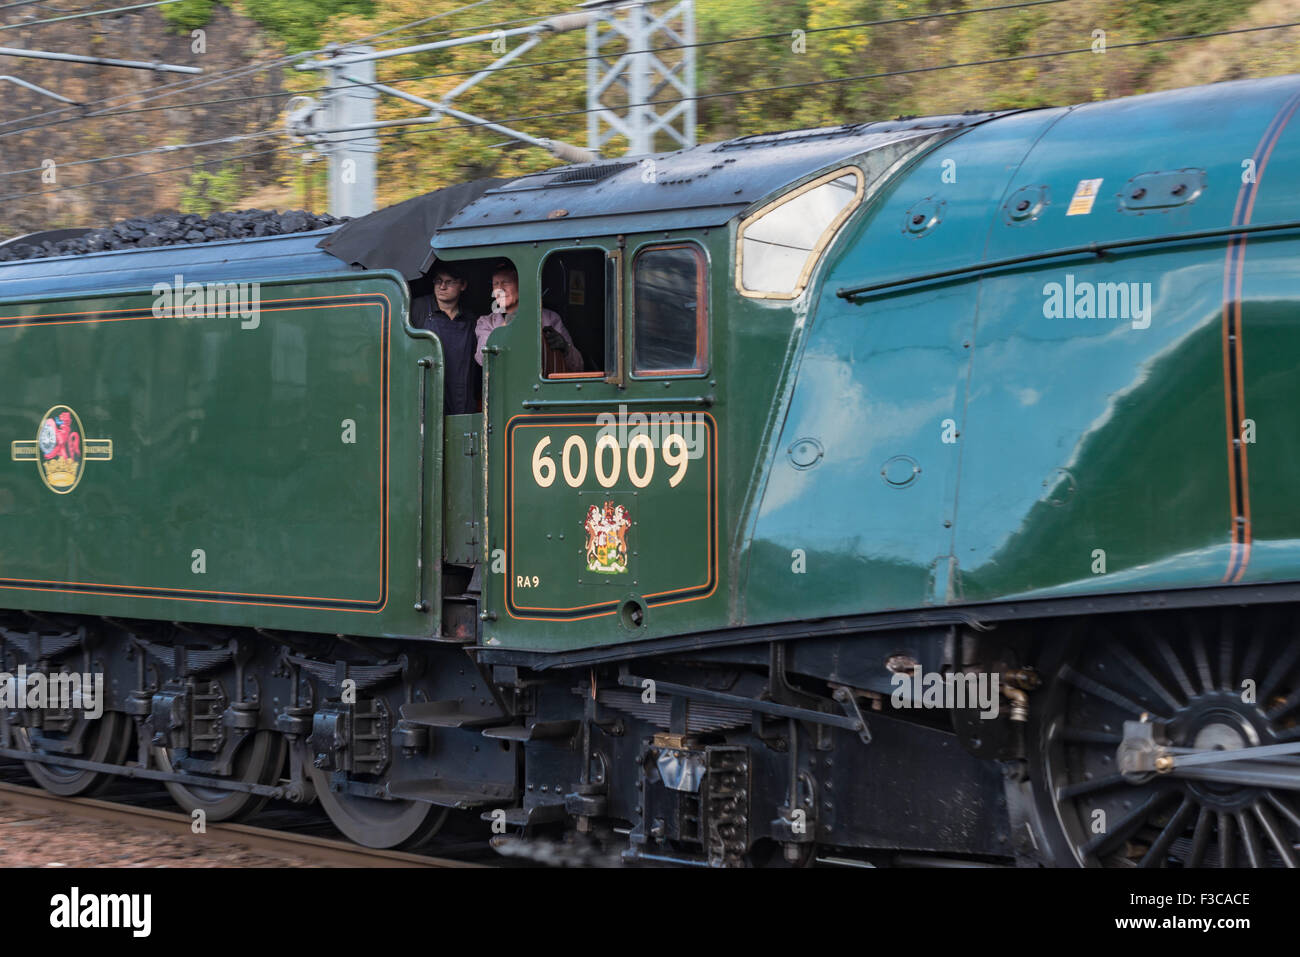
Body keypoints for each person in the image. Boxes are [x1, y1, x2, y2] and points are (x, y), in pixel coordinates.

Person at [474, 263, 584, 372]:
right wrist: (508, 325)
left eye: (506, 282)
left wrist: (565, 348)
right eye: (495, 284)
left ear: (520, 284)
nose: (500, 289)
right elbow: (482, 358)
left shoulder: (549, 318)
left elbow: (578, 366)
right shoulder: (486, 322)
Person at [414, 262, 480, 415]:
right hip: (427, 398)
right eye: (438, 281)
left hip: (461, 401)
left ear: (463, 285)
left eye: (449, 282)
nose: (442, 287)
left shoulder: (471, 320)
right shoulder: (418, 309)